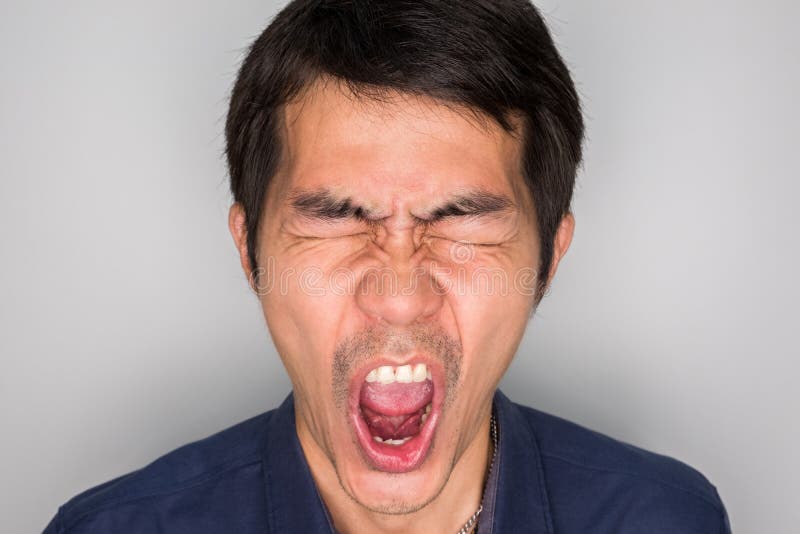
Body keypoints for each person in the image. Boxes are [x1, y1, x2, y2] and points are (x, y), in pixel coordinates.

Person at [45, 1, 731, 532]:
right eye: (340, 217)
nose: (400, 296)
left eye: (460, 218)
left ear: (548, 259)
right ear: (251, 253)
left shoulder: (665, 519)